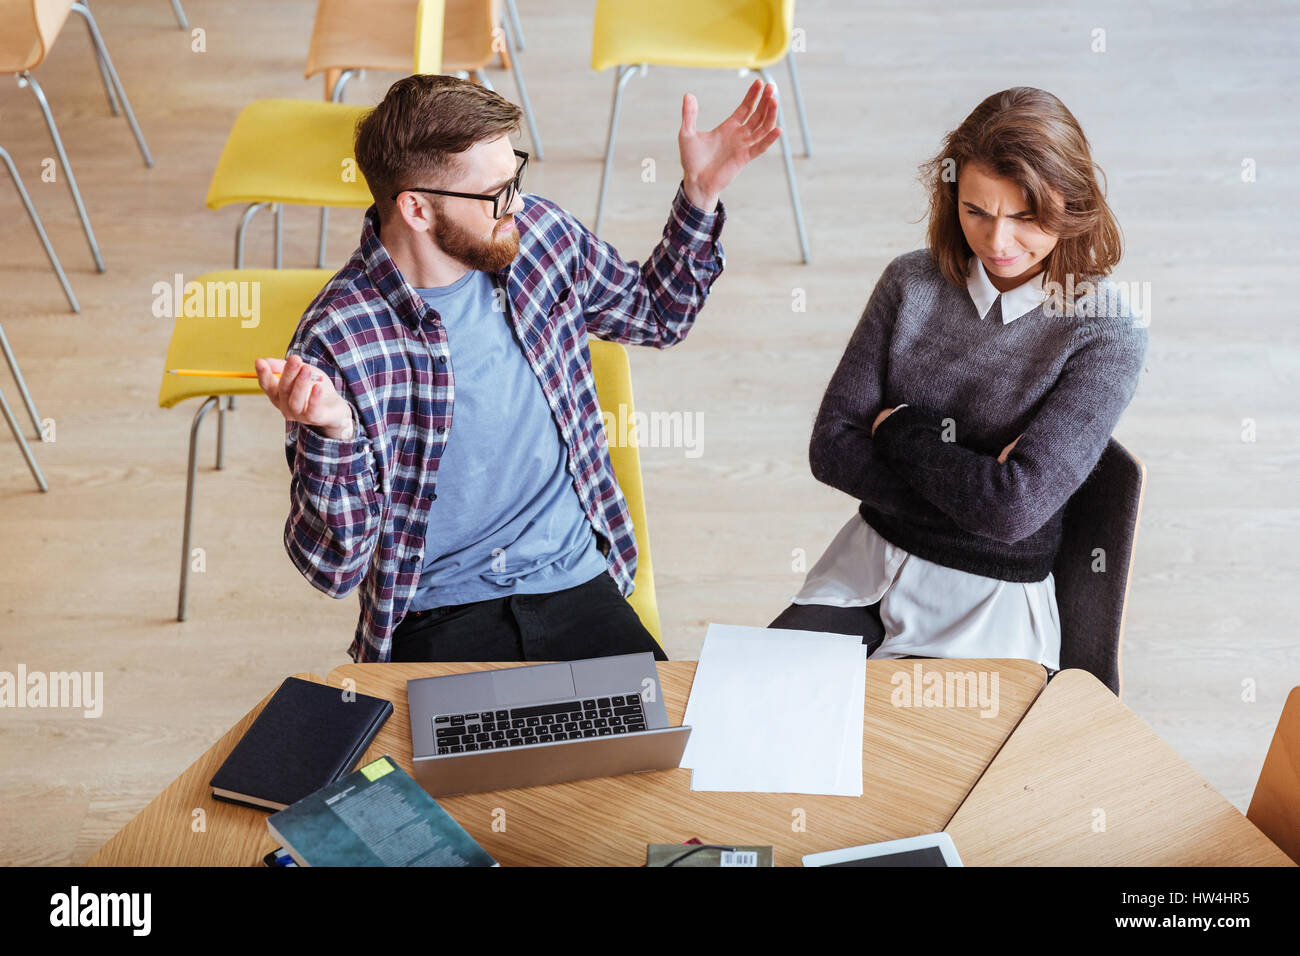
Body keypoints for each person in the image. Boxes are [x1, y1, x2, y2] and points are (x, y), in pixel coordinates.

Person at [255, 74, 782, 663]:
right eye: (496, 194)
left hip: (576, 582)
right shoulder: (338, 339)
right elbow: (333, 568)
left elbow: (657, 314)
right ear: (416, 208)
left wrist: (700, 194)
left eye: (517, 178)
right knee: (459, 756)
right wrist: (335, 435)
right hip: (438, 612)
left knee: (652, 749)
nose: (519, 206)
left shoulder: (539, 241)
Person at [770, 87, 1148, 675]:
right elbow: (832, 448)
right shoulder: (910, 281)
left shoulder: (1106, 331)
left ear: (1071, 206)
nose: (999, 243)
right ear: (953, 202)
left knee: (910, 759)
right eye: (978, 212)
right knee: (761, 710)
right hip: (869, 564)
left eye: (1026, 217)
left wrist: (897, 431)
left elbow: (1013, 512)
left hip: (990, 599)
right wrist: (981, 487)